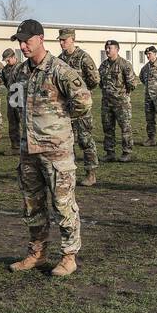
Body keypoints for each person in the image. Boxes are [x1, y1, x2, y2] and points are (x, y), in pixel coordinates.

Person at [7, 19, 92, 278]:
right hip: (29, 151)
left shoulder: (60, 71)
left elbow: (84, 103)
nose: (23, 46)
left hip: (56, 151)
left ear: (41, 39)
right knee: (32, 205)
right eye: (20, 42)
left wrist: (58, 120)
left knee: (63, 204)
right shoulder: (19, 72)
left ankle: (69, 256)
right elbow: (14, 103)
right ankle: (37, 253)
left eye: (27, 41)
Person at [56, 29, 101, 186]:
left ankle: (91, 173)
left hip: (81, 109)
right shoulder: (59, 60)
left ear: (72, 39)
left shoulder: (83, 58)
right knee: (67, 142)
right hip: (66, 108)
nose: (61, 43)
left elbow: (95, 80)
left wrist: (82, 93)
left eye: (64, 40)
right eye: (60, 40)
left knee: (85, 140)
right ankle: (69, 173)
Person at [98, 39, 137, 163]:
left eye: (110, 48)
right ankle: (110, 153)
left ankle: (127, 152)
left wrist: (123, 94)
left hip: (121, 103)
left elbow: (132, 83)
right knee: (108, 128)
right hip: (106, 103)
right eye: (107, 48)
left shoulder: (124, 64)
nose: (108, 50)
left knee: (125, 128)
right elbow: (100, 82)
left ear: (117, 49)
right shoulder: (103, 65)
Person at [0, 48, 22, 154]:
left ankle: (28, 147)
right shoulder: (5, 69)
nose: (7, 62)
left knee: (24, 123)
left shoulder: (22, 67)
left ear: (14, 57)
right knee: (13, 123)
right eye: (6, 61)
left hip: (22, 99)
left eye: (8, 60)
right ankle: (15, 146)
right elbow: (6, 83)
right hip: (11, 98)